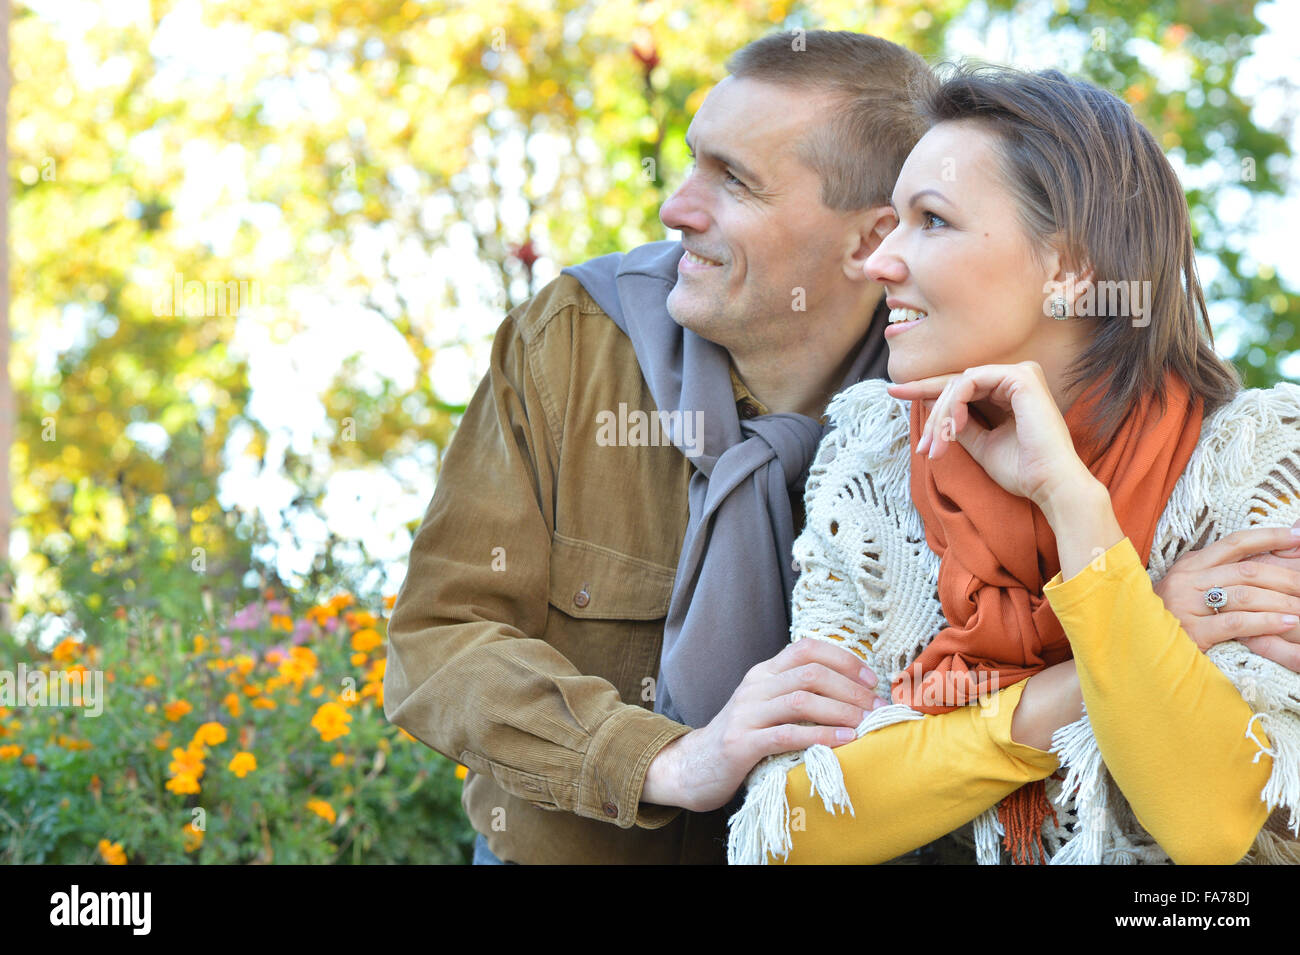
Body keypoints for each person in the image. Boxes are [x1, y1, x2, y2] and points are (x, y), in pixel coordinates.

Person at [385, 32, 1300, 865]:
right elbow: (440, 636)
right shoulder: (589, 352)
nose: (674, 208)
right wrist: (671, 757)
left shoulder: (964, 390)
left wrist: (1114, 593)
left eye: (733, 179)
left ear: (865, 239)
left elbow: (1221, 831)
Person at [728, 65, 1300, 865]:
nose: (880, 261)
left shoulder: (1252, 461)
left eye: (931, 221)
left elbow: (1211, 825)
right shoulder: (876, 447)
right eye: (893, 221)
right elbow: (795, 828)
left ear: (1069, 272)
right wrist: (1144, 631)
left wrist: (1070, 498)